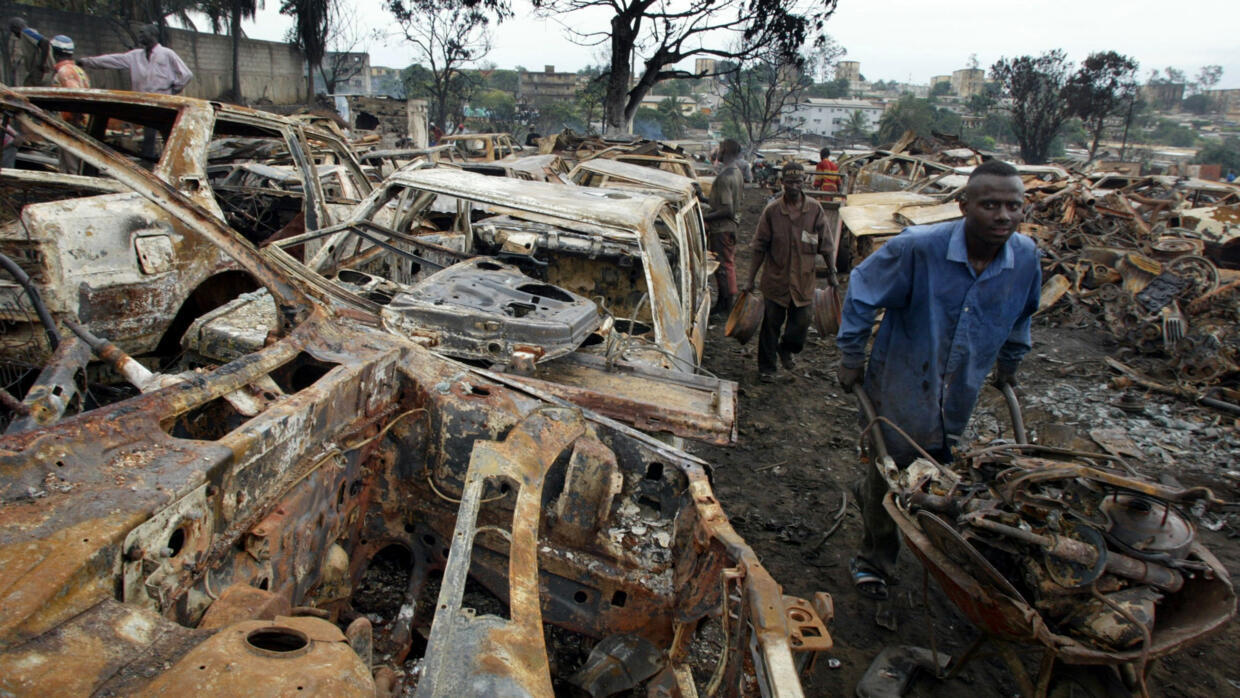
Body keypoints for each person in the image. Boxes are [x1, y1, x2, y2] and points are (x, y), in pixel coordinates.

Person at [836, 159, 1041, 600]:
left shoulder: (1025, 257)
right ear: (963, 204)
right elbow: (861, 290)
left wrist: (1011, 362)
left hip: (960, 390)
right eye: (990, 205)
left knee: (938, 468)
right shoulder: (918, 248)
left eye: (1013, 205)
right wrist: (851, 355)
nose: (1003, 215)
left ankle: (926, 535)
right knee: (889, 472)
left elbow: (1023, 314)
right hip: (900, 384)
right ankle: (875, 559)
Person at [741, 161, 836, 383]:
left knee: (801, 324)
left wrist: (832, 271)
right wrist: (750, 280)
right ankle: (767, 368)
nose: (794, 186)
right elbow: (759, 247)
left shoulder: (814, 210)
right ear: (782, 183)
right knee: (770, 326)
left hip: (803, 282)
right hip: (776, 281)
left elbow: (827, 245)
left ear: (804, 183)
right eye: (790, 182)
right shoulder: (772, 211)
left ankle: (786, 349)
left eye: (799, 182)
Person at [78, 23, 192, 158]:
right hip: (144, 101)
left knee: (167, 132)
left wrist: (174, 90)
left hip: (164, 101)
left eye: (142, 33)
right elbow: (111, 60)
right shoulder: (135, 56)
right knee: (149, 133)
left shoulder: (167, 54)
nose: (140, 36)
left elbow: (186, 74)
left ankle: (173, 160)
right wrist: (85, 62)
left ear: (152, 35)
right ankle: (149, 162)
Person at [703, 138, 744, 317]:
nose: (716, 152)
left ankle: (725, 305)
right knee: (727, 265)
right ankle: (725, 303)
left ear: (725, 150)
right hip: (730, 226)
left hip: (722, 228)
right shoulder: (736, 173)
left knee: (723, 267)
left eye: (719, 148)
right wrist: (703, 199)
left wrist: (703, 217)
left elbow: (726, 209)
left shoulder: (724, 177)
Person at [49, 35, 89, 173]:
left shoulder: (65, 72)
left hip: (70, 124)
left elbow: (75, 97)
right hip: (76, 123)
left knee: (71, 165)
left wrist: (75, 123)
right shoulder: (78, 70)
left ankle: (77, 191)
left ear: (55, 52)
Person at [5, 17, 51, 87]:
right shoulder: (27, 35)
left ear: (16, 29)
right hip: (35, 70)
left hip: (39, 70)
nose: (14, 35)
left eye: (13, 32)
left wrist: (42, 63)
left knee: (31, 91)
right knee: (27, 85)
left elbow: (45, 42)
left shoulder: (26, 32)